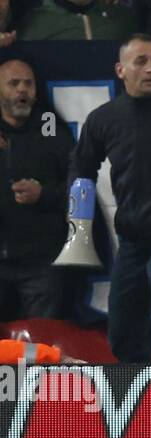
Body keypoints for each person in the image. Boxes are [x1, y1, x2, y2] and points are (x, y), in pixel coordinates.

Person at [69, 35, 151, 362]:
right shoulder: (104, 119)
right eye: (141, 61)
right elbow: (81, 168)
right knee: (122, 329)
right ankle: (142, 385)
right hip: (133, 236)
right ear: (120, 69)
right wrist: (78, 223)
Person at [0, 59, 73, 322]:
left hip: (42, 262)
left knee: (40, 345)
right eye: (14, 83)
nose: (22, 90)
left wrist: (43, 195)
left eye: (28, 83)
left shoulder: (53, 132)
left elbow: (79, 190)